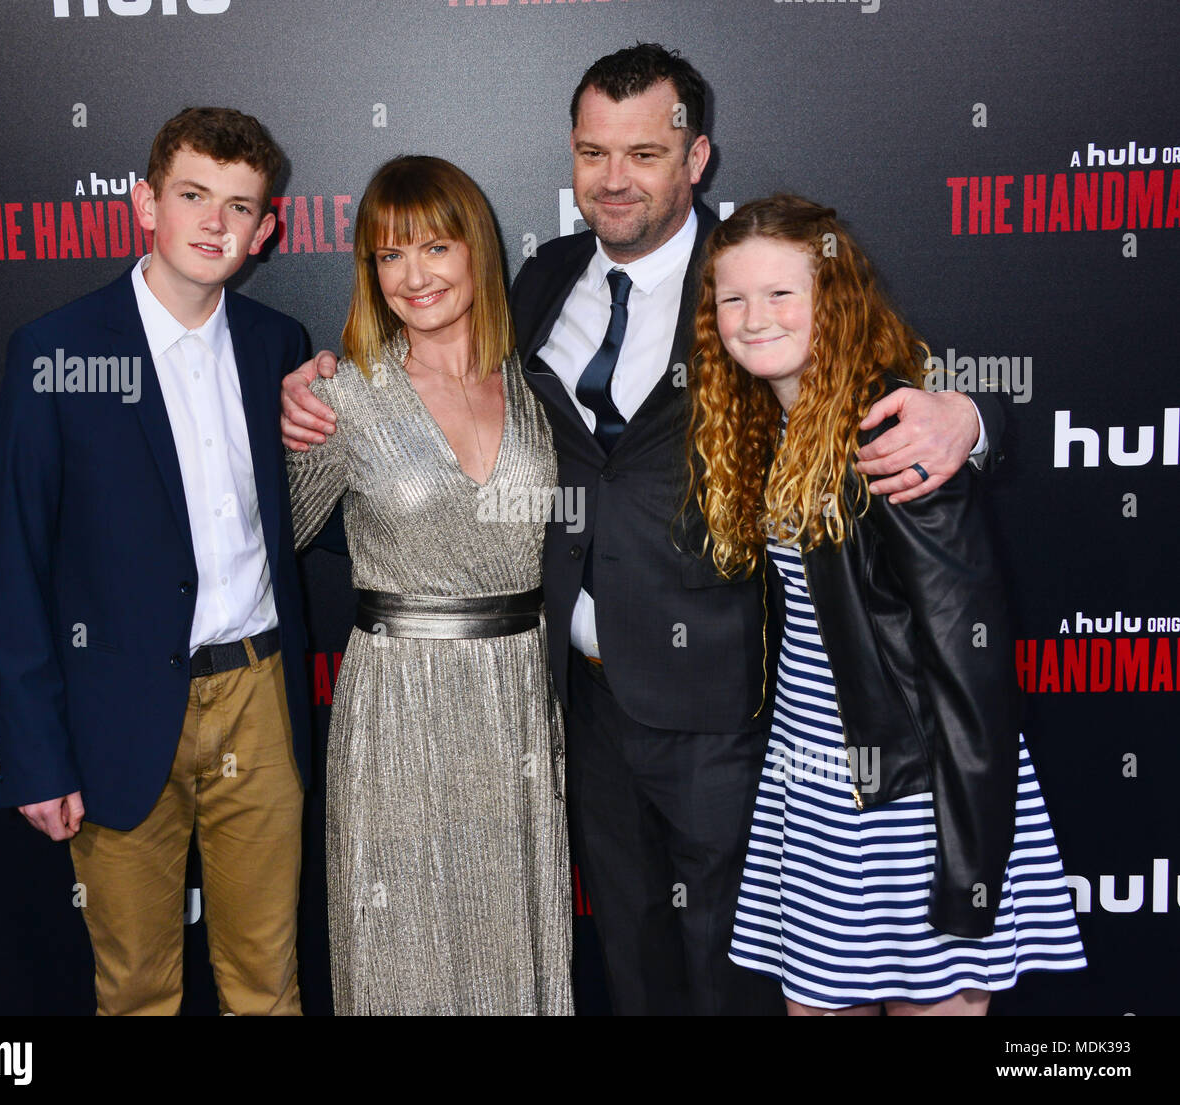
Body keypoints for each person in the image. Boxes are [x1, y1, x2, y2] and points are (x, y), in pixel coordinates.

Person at [281, 45, 1001, 1016]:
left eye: (643, 152)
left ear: (695, 156)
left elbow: (883, 375)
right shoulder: (541, 281)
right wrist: (319, 392)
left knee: (728, 972)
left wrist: (965, 418)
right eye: (591, 152)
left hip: (721, 702)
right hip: (571, 704)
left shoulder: (746, 271)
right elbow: (419, 435)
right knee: (627, 958)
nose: (613, 178)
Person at [688, 193, 1087, 1015]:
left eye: (781, 294)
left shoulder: (890, 429)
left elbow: (967, 660)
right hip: (818, 780)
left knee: (933, 1008)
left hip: (914, 796)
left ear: (831, 300)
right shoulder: (772, 423)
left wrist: (968, 865)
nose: (754, 317)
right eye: (734, 297)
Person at [0, 108, 317, 1015]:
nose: (215, 223)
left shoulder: (273, 346)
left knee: (267, 982)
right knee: (134, 989)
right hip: (115, 712)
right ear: (145, 203)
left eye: (239, 206)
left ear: (266, 229)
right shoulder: (55, 353)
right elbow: (13, 568)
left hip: (258, 696)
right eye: (194, 196)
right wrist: (37, 757)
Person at [285, 155, 572, 1016]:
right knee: (401, 944)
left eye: (435, 247)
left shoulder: (539, 386)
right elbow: (265, 543)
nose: (414, 276)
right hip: (397, 706)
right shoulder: (343, 397)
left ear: (476, 250)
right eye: (388, 255)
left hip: (520, 699)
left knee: (514, 940)